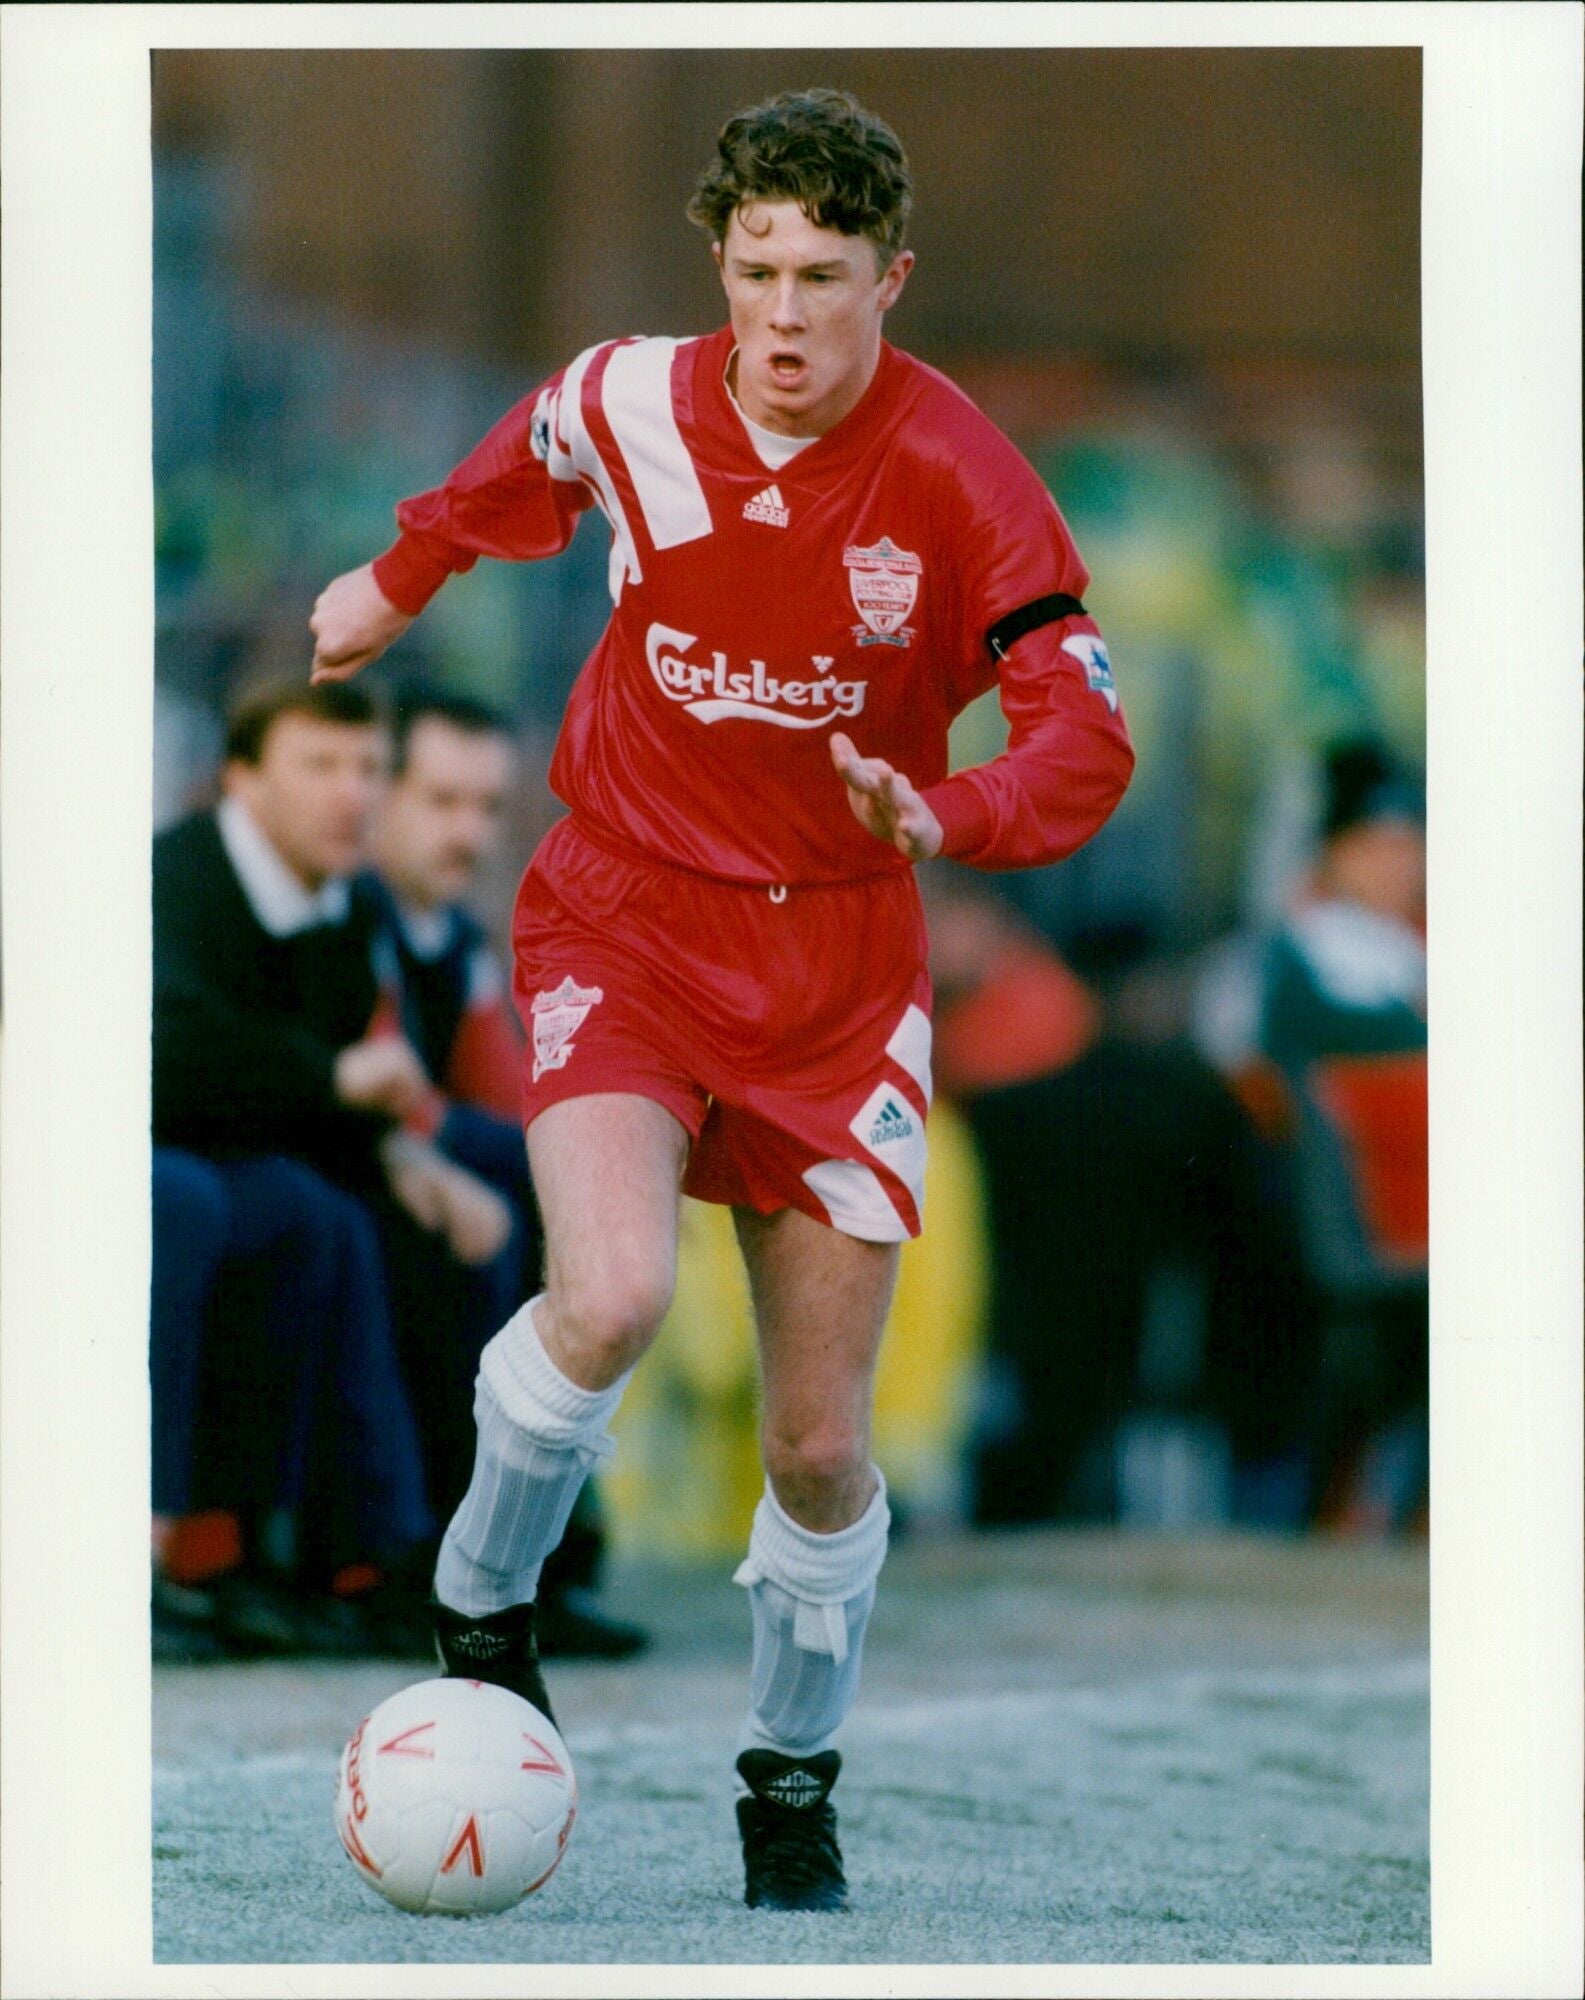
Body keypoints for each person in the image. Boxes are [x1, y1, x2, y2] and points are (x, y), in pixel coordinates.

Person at [309, 88, 1134, 1912]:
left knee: (821, 1443)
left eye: (822, 278)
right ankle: (478, 1615)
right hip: (624, 918)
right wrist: (395, 573)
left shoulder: (962, 471)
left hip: (841, 975)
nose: (781, 314)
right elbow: (512, 464)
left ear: (887, 281)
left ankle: (788, 1777)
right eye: (754, 270)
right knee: (604, 1293)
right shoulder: (631, 398)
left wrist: (962, 807)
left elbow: (1085, 728)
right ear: (721, 267)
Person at [151, 674, 519, 1650]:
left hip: (250, 1150)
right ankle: (169, 1554)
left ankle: (365, 1556)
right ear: (242, 779)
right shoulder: (176, 877)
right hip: (145, 1148)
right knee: (207, 1207)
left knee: (350, 1214)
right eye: (319, 764)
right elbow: (160, 1055)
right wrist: (335, 1079)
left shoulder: (347, 905)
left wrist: (400, 1152)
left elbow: (333, 1085)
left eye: (366, 767)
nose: (351, 793)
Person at [363, 687, 647, 1657]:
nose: (469, 833)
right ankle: (466, 1544)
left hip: (434, 1180)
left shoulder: (460, 940)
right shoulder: (353, 913)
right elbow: (397, 1094)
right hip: (368, 1174)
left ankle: (538, 1547)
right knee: (517, 1188)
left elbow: (515, 1095)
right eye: (442, 801)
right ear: (378, 791)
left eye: (486, 808)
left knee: (564, 1186)